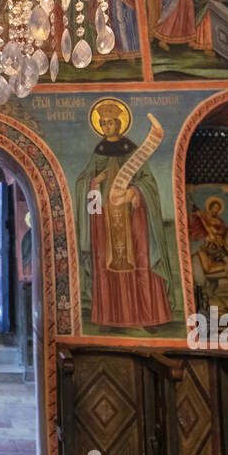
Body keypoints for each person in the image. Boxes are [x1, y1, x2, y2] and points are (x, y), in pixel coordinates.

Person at [75, 100, 173, 329]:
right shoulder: (98, 152)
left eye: (111, 122)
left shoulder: (132, 150)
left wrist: (135, 192)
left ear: (120, 124)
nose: (108, 126)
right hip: (104, 219)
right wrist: (93, 184)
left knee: (142, 261)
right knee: (105, 263)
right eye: (104, 123)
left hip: (133, 219)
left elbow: (148, 181)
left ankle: (148, 317)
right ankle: (109, 318)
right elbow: (84, 183)